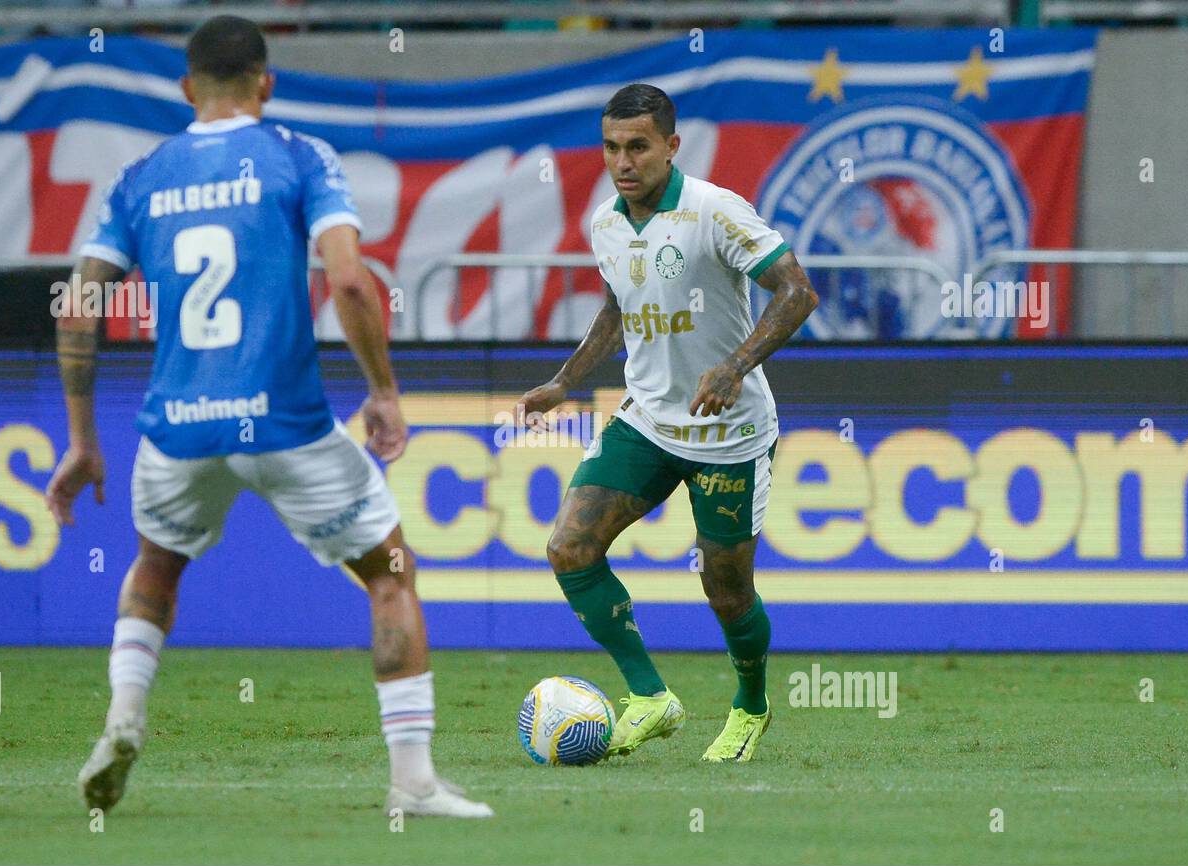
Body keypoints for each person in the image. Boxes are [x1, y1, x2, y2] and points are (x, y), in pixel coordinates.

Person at [45, 15, 492, 818]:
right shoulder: (298, 155)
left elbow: (77, 306)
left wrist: (81, 441)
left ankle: (121, 722)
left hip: (178, 430)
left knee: (155, 568)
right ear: (266, 83)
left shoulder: (142, 175)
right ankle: (414, 780)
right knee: (389, 574)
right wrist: (383, 392)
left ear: (188, 89)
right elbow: (351, 283)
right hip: (285, 422)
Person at [517, 83, 818, 762]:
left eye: (638, 147)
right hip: (648, 421)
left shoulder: (715, 212)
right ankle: (652, 697)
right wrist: (566, 382)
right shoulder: (606, 224)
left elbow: (798, 291)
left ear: (671, 146)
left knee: (726, 588)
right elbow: (619, 309)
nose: (623, 162)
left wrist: (736, 365)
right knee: (569, 548)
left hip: (730, 432)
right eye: (611, 147)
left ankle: (750, 706)